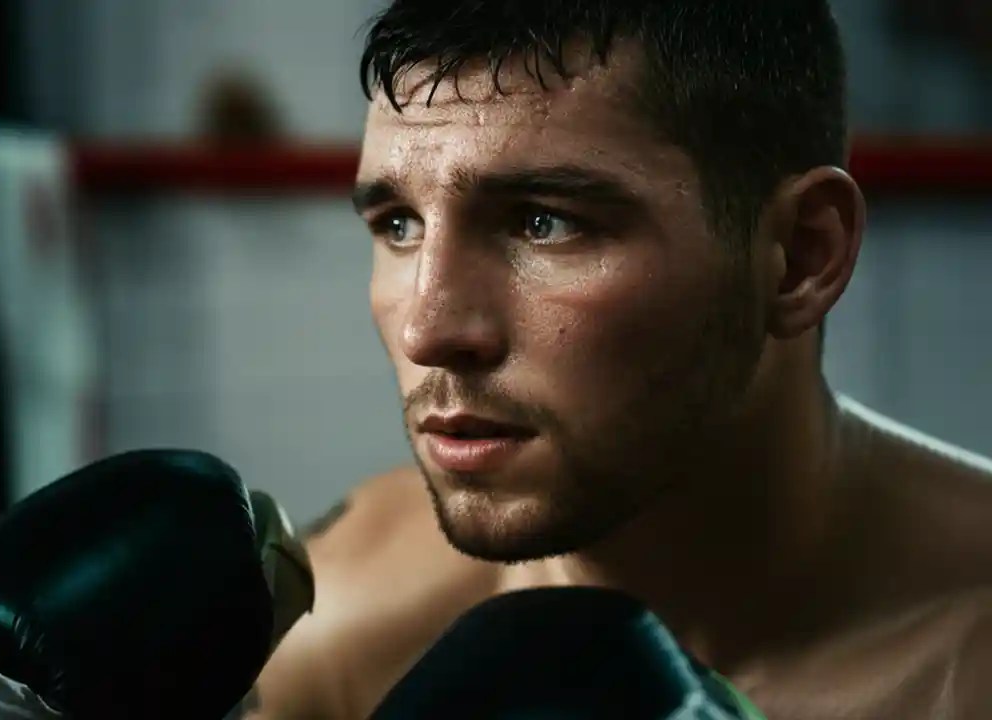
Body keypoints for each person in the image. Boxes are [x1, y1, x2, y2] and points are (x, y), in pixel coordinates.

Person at [244, 1, 992, 718]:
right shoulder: (340, 623)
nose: (428, 331)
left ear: (801, 256)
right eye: (399, 223)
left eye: (544, 222)